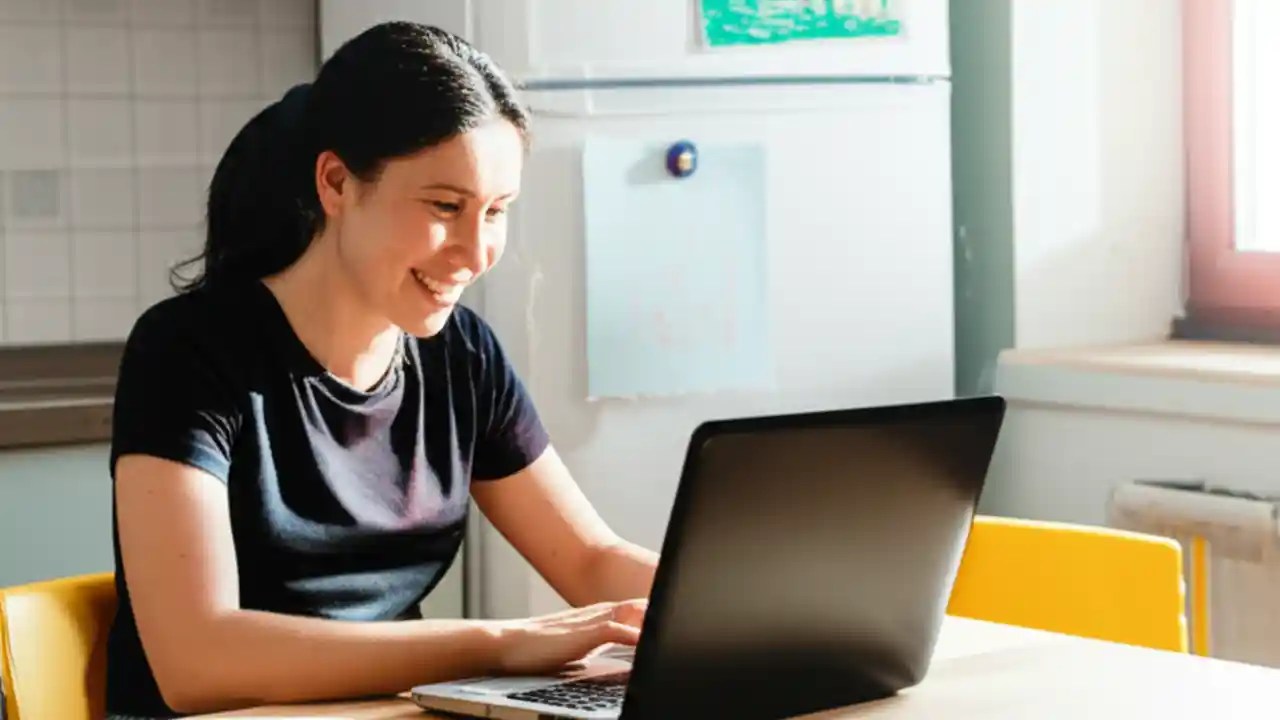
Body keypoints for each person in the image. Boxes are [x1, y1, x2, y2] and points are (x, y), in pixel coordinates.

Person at [106, 22, 657, 719]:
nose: (477, 249)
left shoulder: (461, 353)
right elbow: (198, 660)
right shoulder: (188, 351)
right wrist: (499, 643)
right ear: (336, 183)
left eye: (497, 211)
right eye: (445, 206)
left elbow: (588, 559)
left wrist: (743, 616)